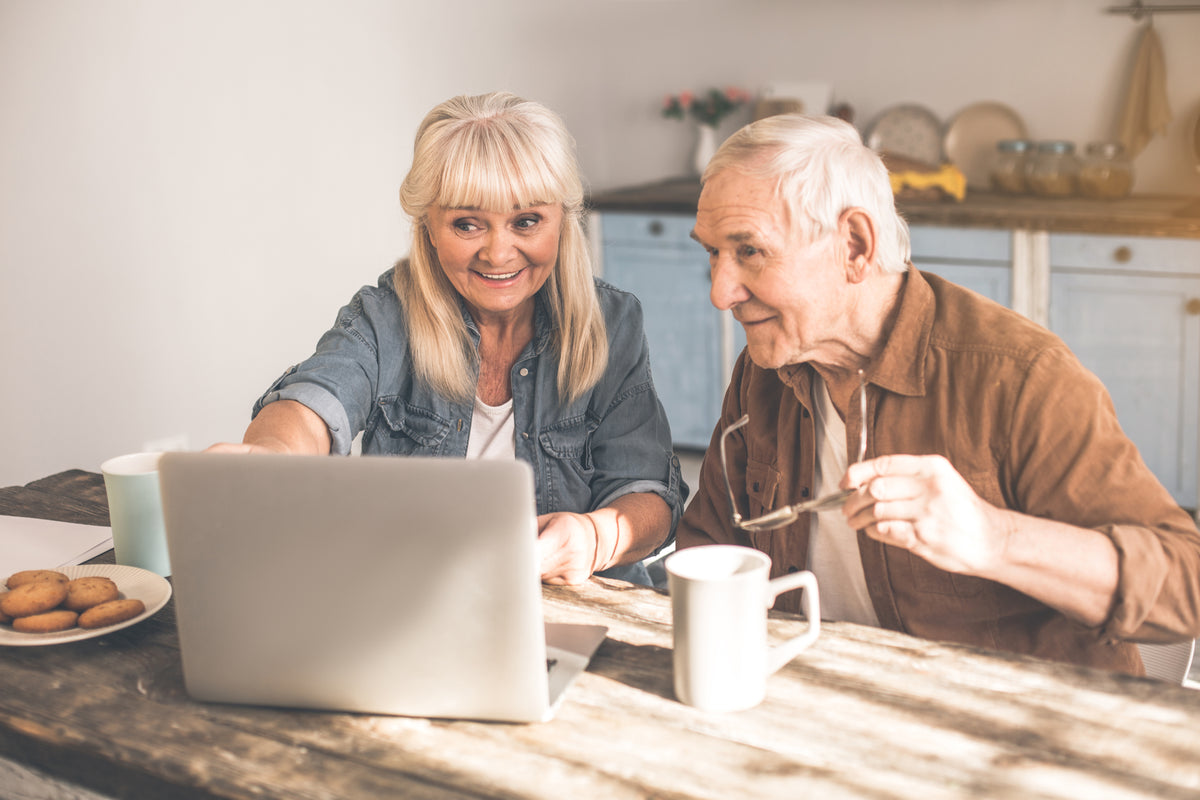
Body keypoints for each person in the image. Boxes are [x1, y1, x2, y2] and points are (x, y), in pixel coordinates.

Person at [678, 113, 1200, 674]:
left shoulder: (1019, 375)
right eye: (712, 253)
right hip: (829, 701)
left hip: (1010, 725)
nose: (720, 292)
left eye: (749, 251)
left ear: (854, 245)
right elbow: (707, 544)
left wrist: (992, 538)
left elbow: (1184, 586)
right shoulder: (767, 371)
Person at [209, 92, 685, 586]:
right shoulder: (386, 316)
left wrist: (593, 537)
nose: (498, 253)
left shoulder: (613, 323)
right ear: (428, 228)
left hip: (578, 616)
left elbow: (648, 493)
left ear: (561, 221)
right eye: (467, 223)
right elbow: (315, 400)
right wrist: (272, 461)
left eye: (526, 221)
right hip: (414, 603)